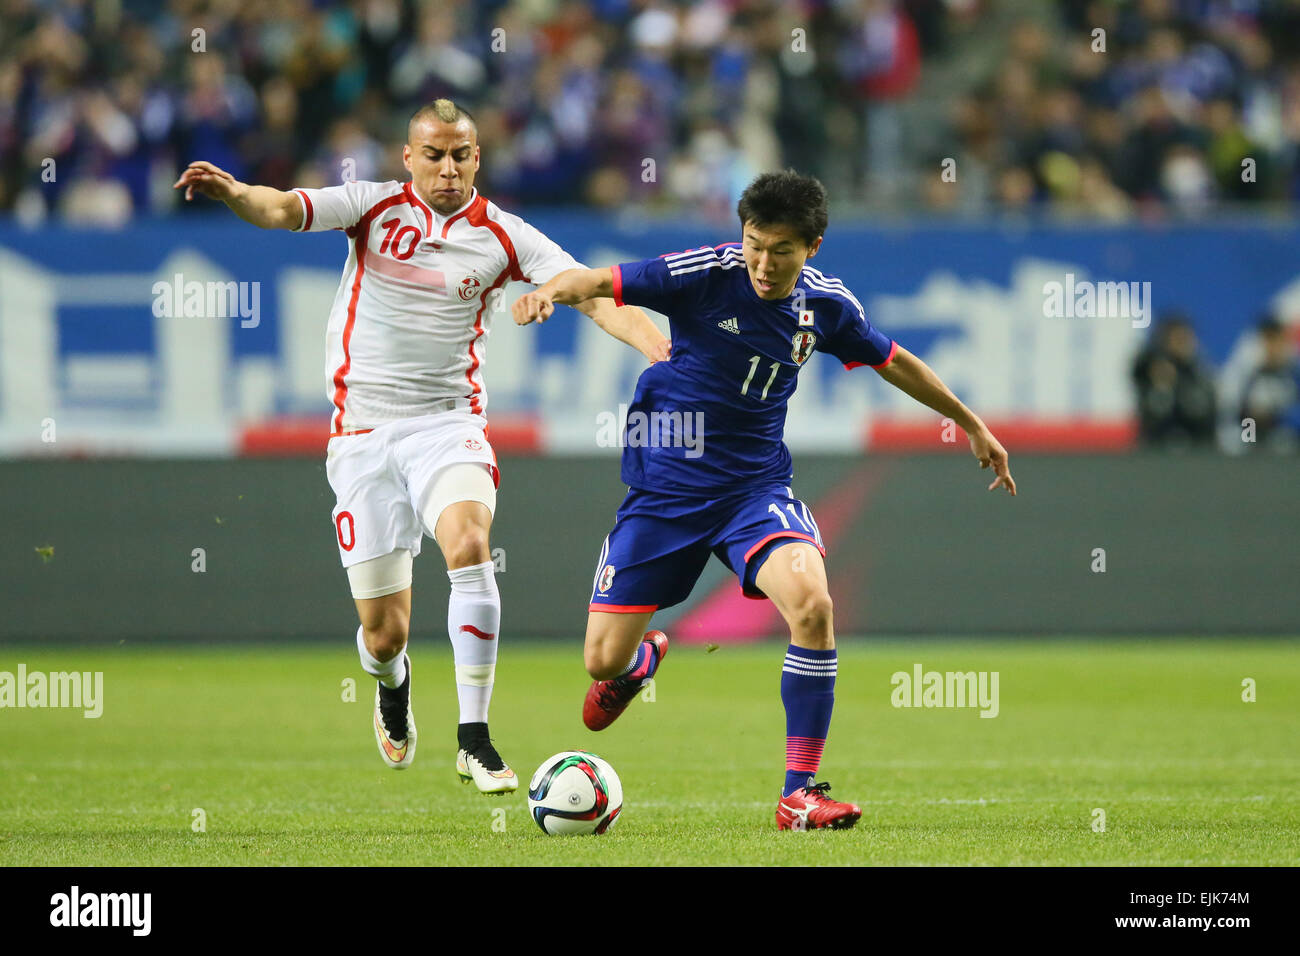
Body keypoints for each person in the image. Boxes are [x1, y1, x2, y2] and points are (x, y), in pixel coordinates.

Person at [174, 98, 667, 793]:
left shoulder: (502, 234)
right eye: (433, 155)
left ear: (477, 158)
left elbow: (592, 292)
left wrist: (658, 349)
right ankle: (392, 685)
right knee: (384, 635)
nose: (447, 168)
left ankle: (476, 740)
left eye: (461, 154)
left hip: (447, 423)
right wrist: (234, 194)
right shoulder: (371, 208)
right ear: (409, 159)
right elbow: (283, 208)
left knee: (468, 544)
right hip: (362, 434)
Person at [513, 169, 1016, 830]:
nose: (763, 262)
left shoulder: (826, 307)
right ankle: (639, 663)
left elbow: (893, 359)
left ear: (813, 245)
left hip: (754, 490)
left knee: (813, 605)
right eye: (754, 242)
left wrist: (972, 422)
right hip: (664, 494)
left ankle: (797, 794)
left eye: (781, 249)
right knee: (601, 660)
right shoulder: (703, 272)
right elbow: (600, 282)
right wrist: (550, 290)